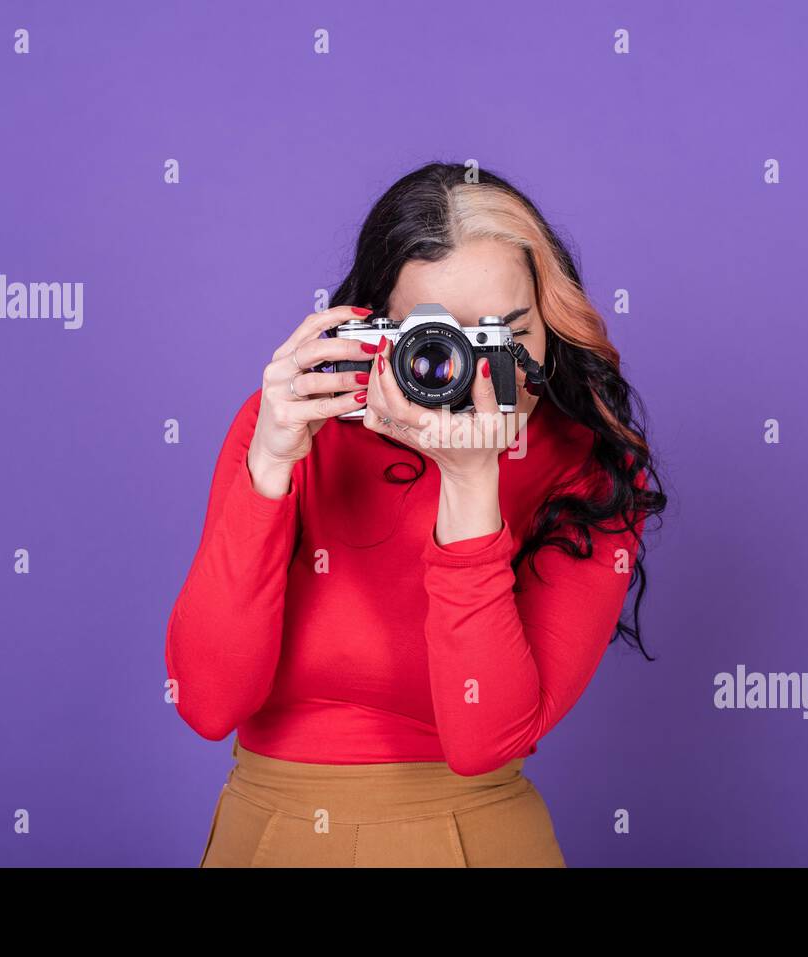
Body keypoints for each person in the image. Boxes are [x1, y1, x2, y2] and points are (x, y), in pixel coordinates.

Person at [165, 162, 665, 867]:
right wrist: (268, 468)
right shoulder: (297, 426)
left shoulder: (586, 467)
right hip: (269, 835)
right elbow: (206, 702)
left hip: (473, 837)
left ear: (551, 320)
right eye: (437, 338)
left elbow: (484, 740)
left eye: (506, 331)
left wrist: (471, 484)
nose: (467, 367)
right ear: (378, 328)